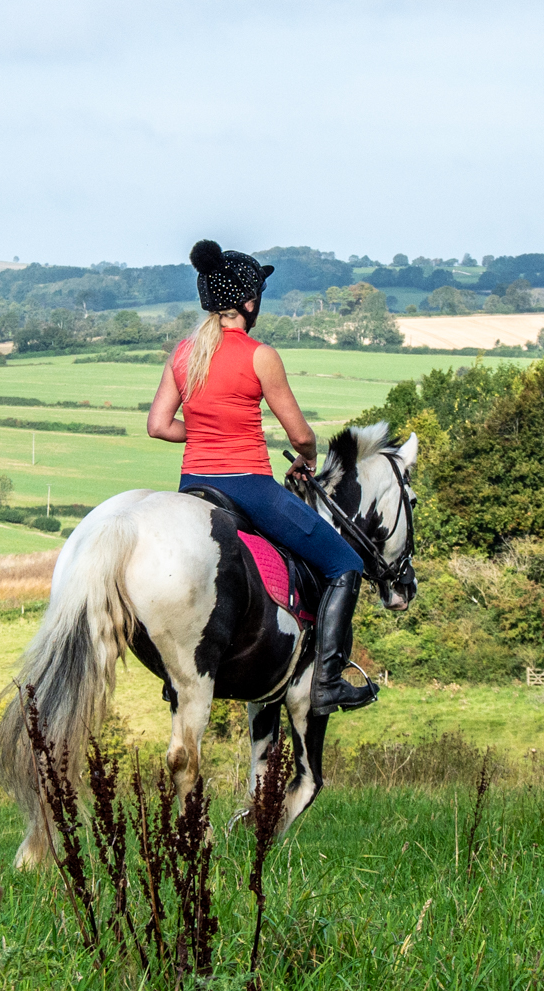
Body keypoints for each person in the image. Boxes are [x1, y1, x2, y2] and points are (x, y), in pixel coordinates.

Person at [145, 241, 379, 713]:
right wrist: (307, 459)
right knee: (345, 564)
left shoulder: (184, 354)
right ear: (250, 302)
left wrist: (206, 433)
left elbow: (158, 426)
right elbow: (301, 435)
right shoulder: (260, 355)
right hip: (249, 487)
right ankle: (329, 681)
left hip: (194, 487)